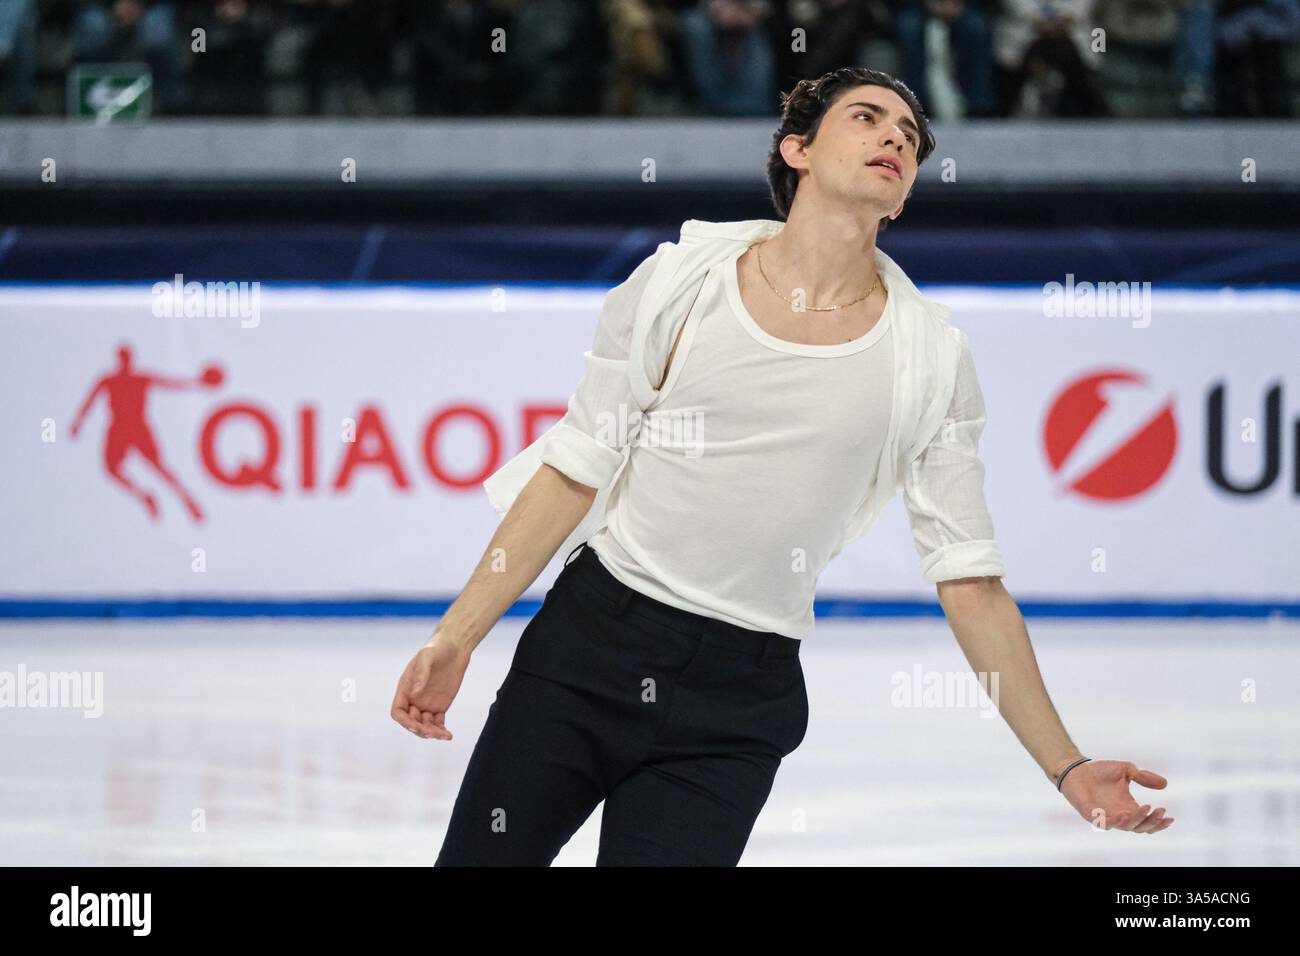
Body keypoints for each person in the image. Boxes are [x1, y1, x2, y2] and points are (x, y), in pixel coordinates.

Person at [393, 66, 1176, 866]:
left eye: (909, 138)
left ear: (901, 199)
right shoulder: (680, 282)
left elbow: (969, 580)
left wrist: (1066, 765)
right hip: (592, 645)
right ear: (795, 149)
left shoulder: (931, 356)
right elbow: (572, 470)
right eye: (868, 118)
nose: (894, 139)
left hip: (740, 700)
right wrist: (456, 637)